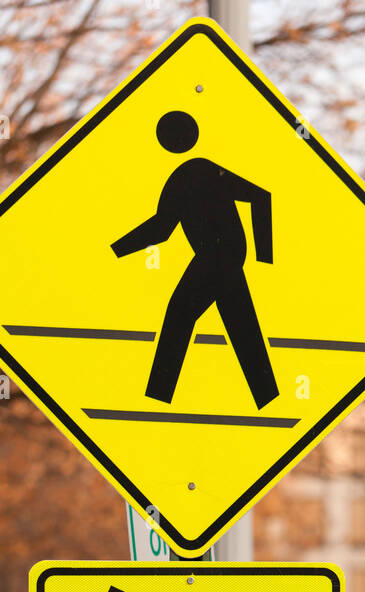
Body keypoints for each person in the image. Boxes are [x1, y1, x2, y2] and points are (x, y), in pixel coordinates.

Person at [112, 110, 279, 409]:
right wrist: (117, 250)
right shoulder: (185, 176)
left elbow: (260, 196)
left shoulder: (197, 171)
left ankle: (157, 400)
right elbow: (162, 229)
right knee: (241, 325)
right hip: (221, 256)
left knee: (179, 314)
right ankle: (269, 400)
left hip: (218, 255)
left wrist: (265, 258)